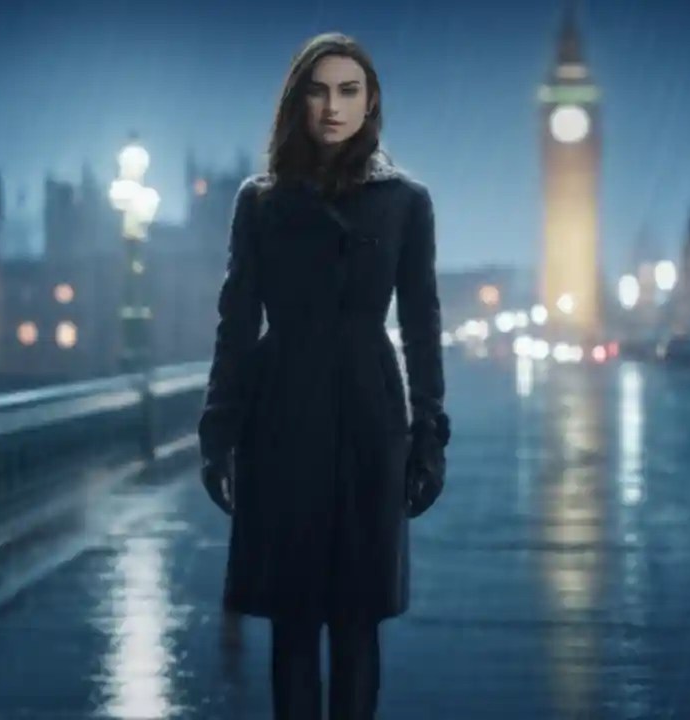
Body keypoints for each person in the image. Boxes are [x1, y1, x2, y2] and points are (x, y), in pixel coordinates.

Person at [197, 31, 451, 720]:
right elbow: (236, 323)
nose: (333, 107)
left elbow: (424, 325)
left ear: (370, 104)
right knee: (293, 620)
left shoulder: (406, 202)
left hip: (372, 415)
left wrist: (428, 432)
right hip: (281, 415)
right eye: (318, 90)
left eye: (349, 91)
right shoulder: (259, 202)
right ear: (297, 102)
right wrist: (218, 433)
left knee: (357, 622)